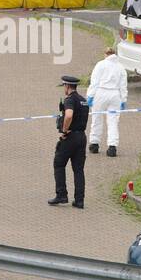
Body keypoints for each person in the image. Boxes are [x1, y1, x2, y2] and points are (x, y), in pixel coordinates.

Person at [50, 74, 89, 208]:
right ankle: (79, 200)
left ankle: (61, 195)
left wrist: (65, 130)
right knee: (78, 169)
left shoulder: (70, 100)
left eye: (64, 87)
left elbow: (69, 115)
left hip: (70, 137)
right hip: (82, 137)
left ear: (67, 86)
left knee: (59, 164)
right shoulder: (83, 100)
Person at [86, 45, 128, 157]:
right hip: (115, 95)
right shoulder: (121, 67)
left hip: (100, 93)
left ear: (105, 54)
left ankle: (94, 144)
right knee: (113, 122)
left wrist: (90, 95)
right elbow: (123, 86)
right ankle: (112, 147)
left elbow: (94, 82)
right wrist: (123, 99)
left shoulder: (100, 65)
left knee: (96, 119)